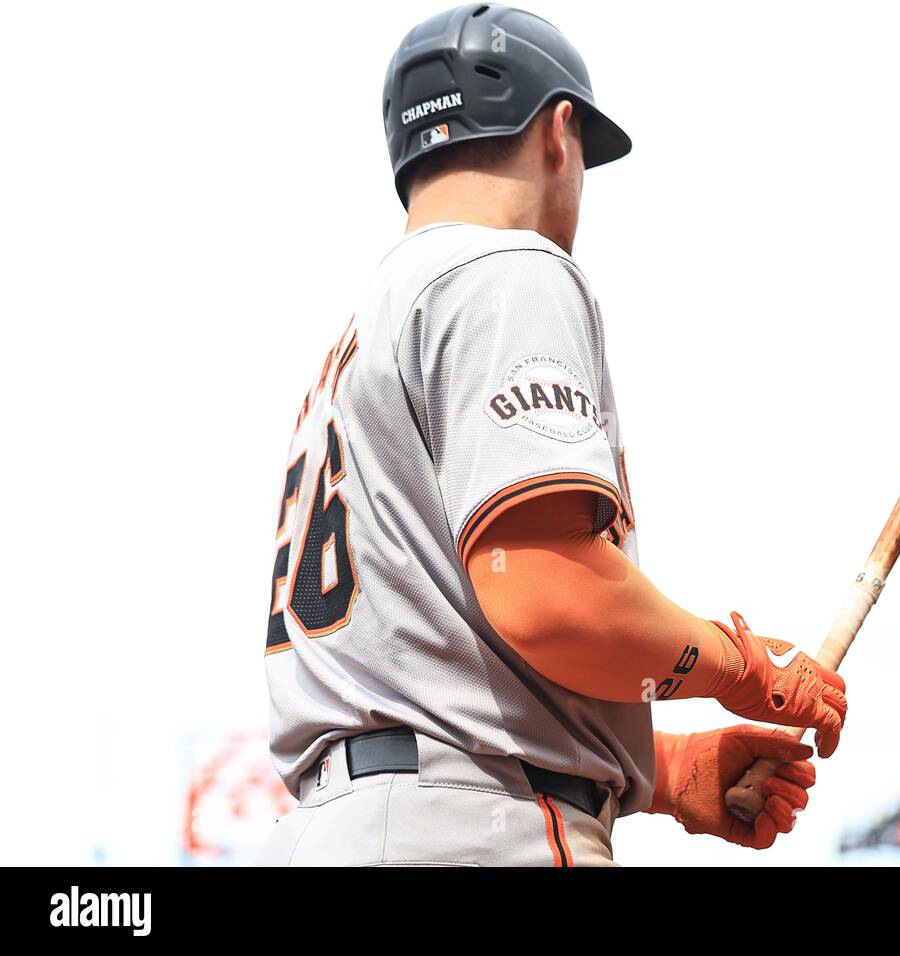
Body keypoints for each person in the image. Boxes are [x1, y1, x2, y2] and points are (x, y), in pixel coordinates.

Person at [257, 3, 848, 867]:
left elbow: (441, 653)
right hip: (469, 835)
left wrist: (662, 769)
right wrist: (739, 666)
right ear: (557, 132)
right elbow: (543, 593)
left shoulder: (364, 334)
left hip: (342, 826)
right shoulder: (506, 268)